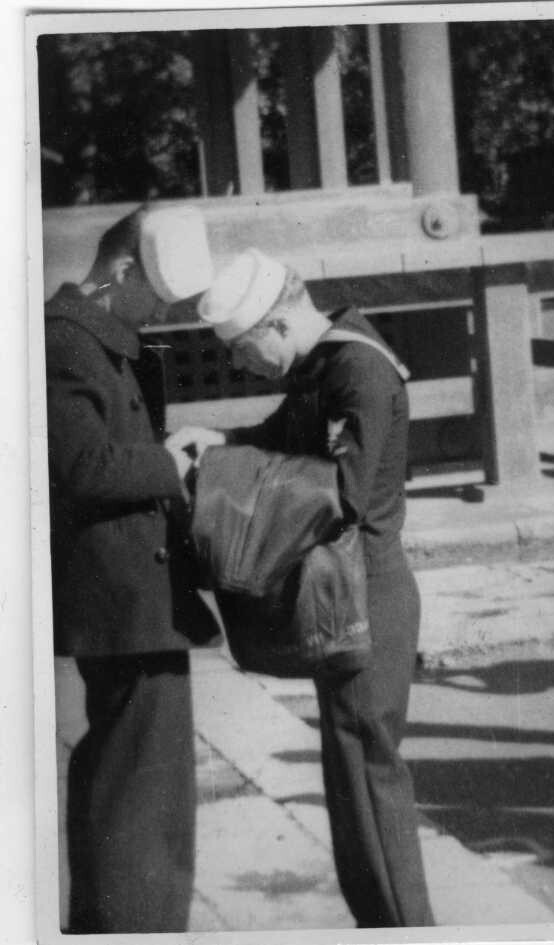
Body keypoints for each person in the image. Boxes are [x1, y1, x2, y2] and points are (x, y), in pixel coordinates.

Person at [198, 247, 434, 928]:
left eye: (243, 353)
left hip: (368, 593)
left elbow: (343, 490)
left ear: (274, 325)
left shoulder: (355, 366)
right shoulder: (323, 366)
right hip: (344, 595)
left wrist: (222, 485)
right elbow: (278, 437)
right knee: (351, 788)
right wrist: (215, 442)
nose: (242, 367)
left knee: (368, 782)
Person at [45, 204, 224, 932]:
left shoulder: (97, 338)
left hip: (136, 596)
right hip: (120, 601)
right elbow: (80, 465)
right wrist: (170, 462)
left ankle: (118, 920)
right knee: (138, 793)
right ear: (120, 271)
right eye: (156, 296)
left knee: (136, 779)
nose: (162, 312)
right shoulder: (64, 343)